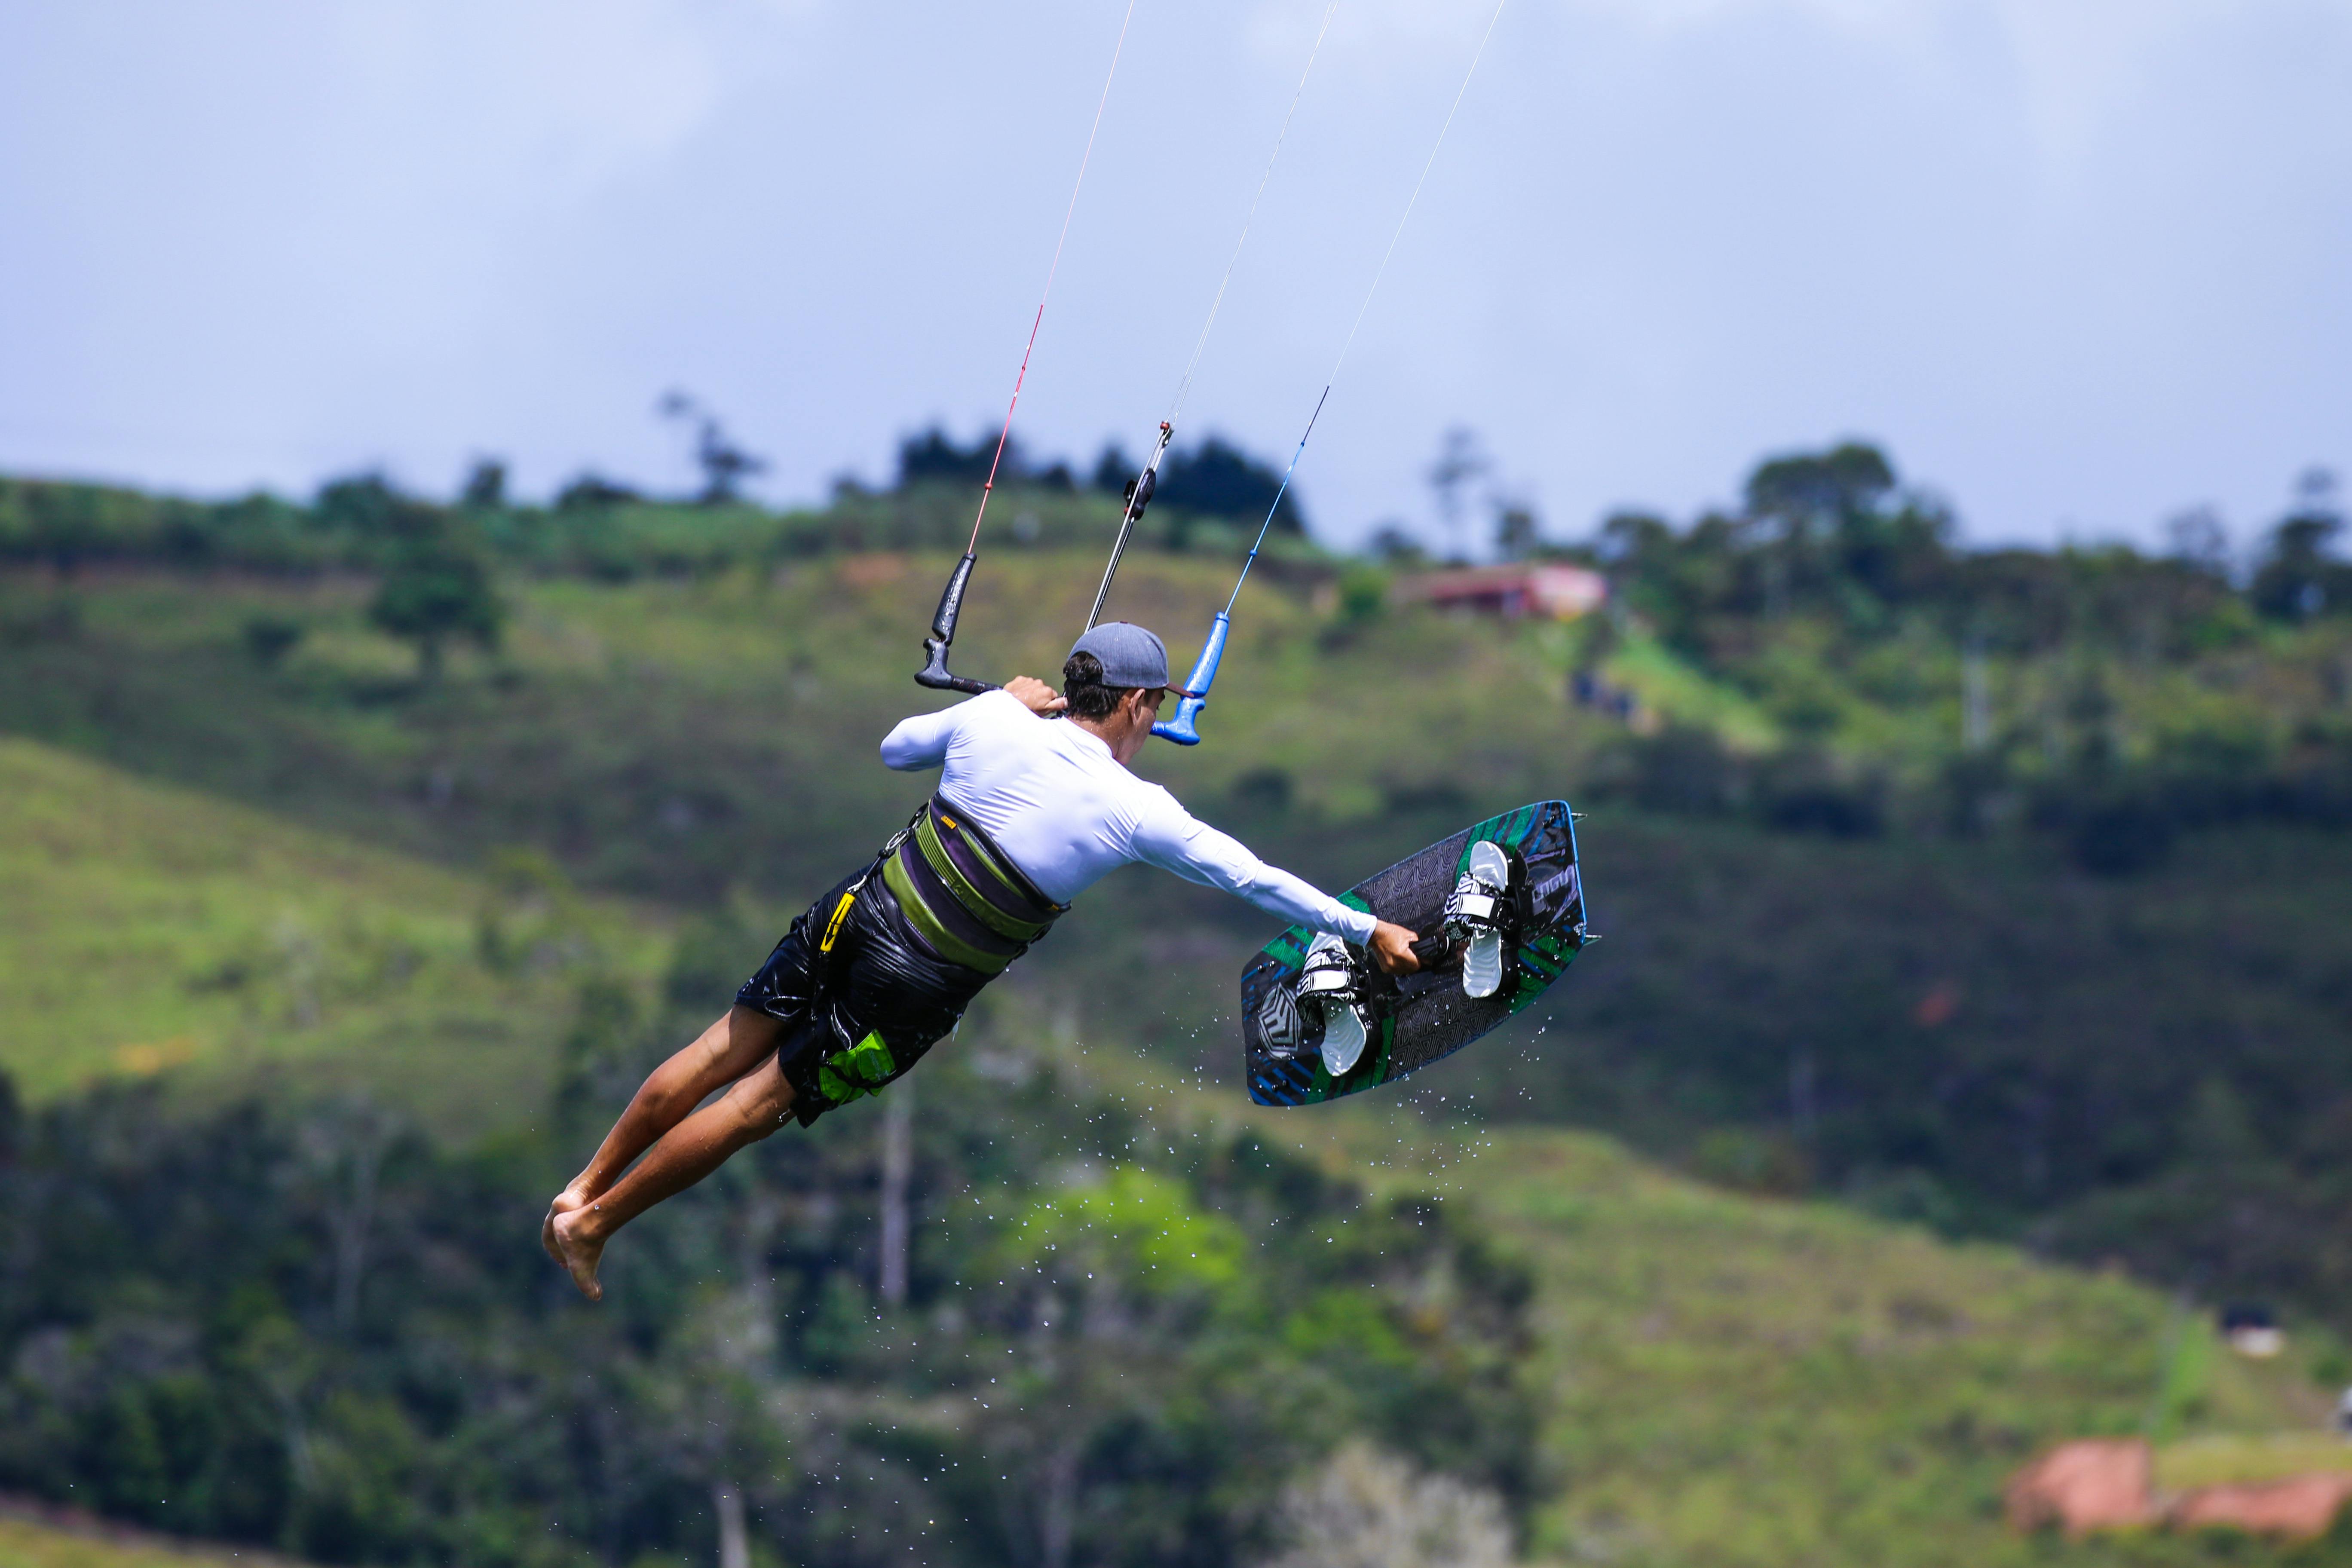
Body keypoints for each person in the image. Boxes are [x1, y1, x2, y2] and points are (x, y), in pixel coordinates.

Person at [543, 622, 1420, 1298]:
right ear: (1136, 704)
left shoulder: (1000, 713)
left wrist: (1003, 700)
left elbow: (895, 748)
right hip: (910, 983)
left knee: (715, 1052)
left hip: (858, 908)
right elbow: (1250, 877)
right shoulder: (1134, 806)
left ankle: (580, 1187)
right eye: (1154, 709)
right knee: (754, 1106)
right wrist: (1363, 929)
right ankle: (598, 1222)